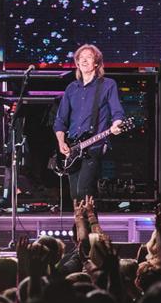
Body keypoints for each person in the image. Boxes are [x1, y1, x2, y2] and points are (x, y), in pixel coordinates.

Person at [52, 43, 127, 203]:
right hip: (73, 147)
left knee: (84, 190)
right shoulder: (71, 88)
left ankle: (87, 227)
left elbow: (117, 111)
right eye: (81, 58)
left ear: (96, 63)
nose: (84, 60)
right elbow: (60, 120)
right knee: (74, 195)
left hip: (95, 144)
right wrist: (61, 142)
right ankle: (84, 227)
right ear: (77, 63)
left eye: (89, 57)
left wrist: (117, 124)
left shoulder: (107, 85)